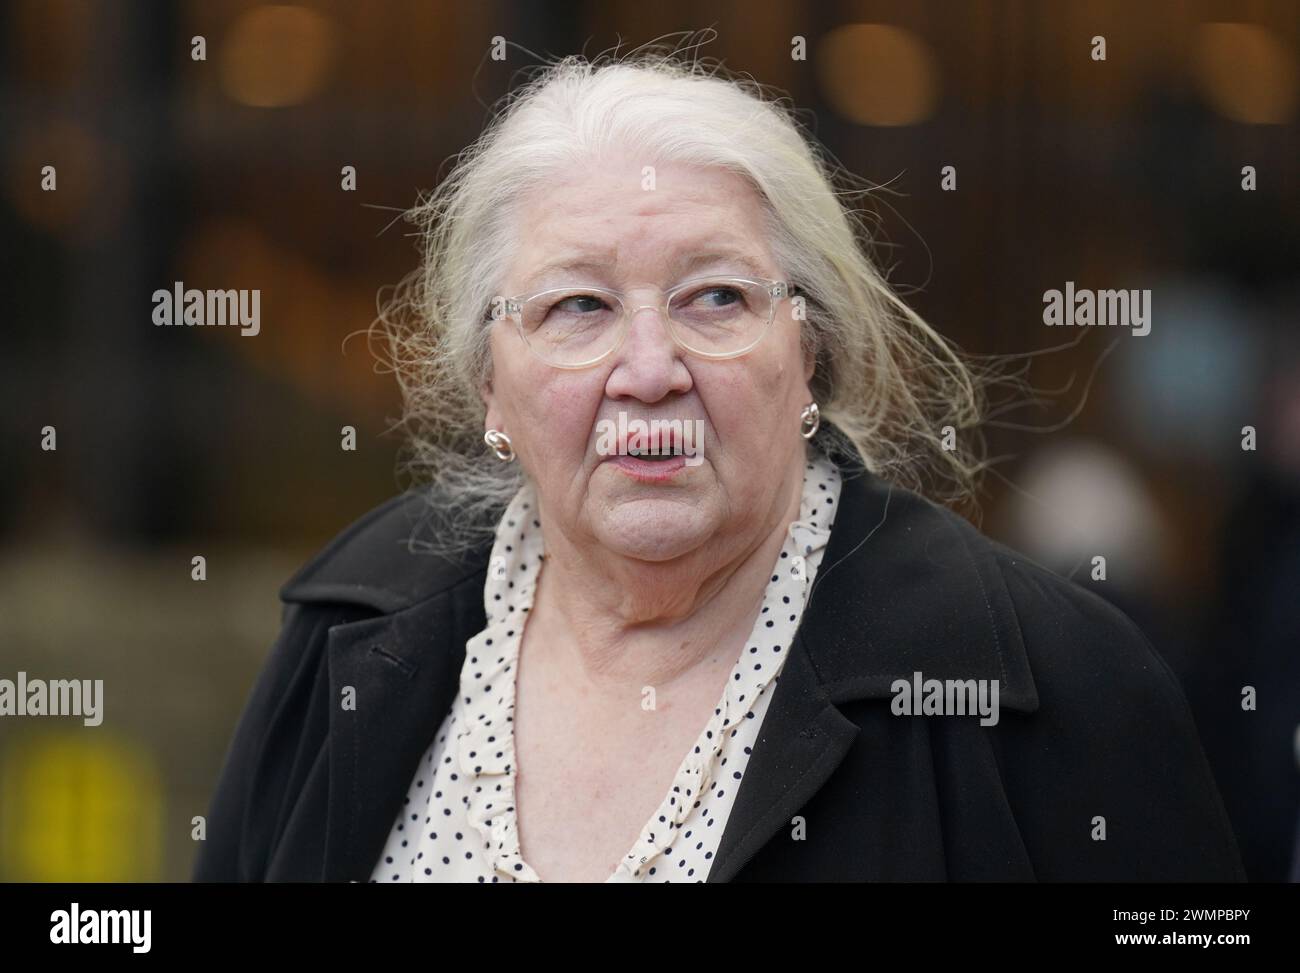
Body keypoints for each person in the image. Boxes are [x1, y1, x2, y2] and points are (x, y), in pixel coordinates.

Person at [193, 50, 1244, 882]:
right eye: (577, 306)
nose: (648, 370)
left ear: (809, 357)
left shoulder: (1041, 681)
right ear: (489, 387)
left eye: (715, 298)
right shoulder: (352, 631)